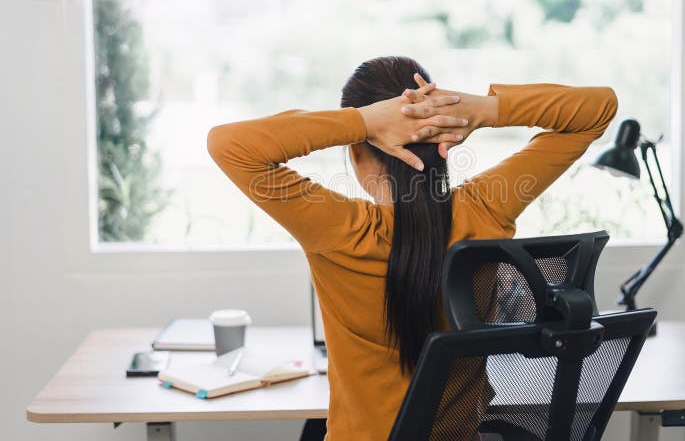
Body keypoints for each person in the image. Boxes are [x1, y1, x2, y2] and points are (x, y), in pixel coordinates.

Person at [207, 56, 618, 441]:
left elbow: (230, 145)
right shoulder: (485, 209)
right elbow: (597, 110)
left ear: (355, 149)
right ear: (443, 136)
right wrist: (483, 109)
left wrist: (361, 121)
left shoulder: (341, 230)